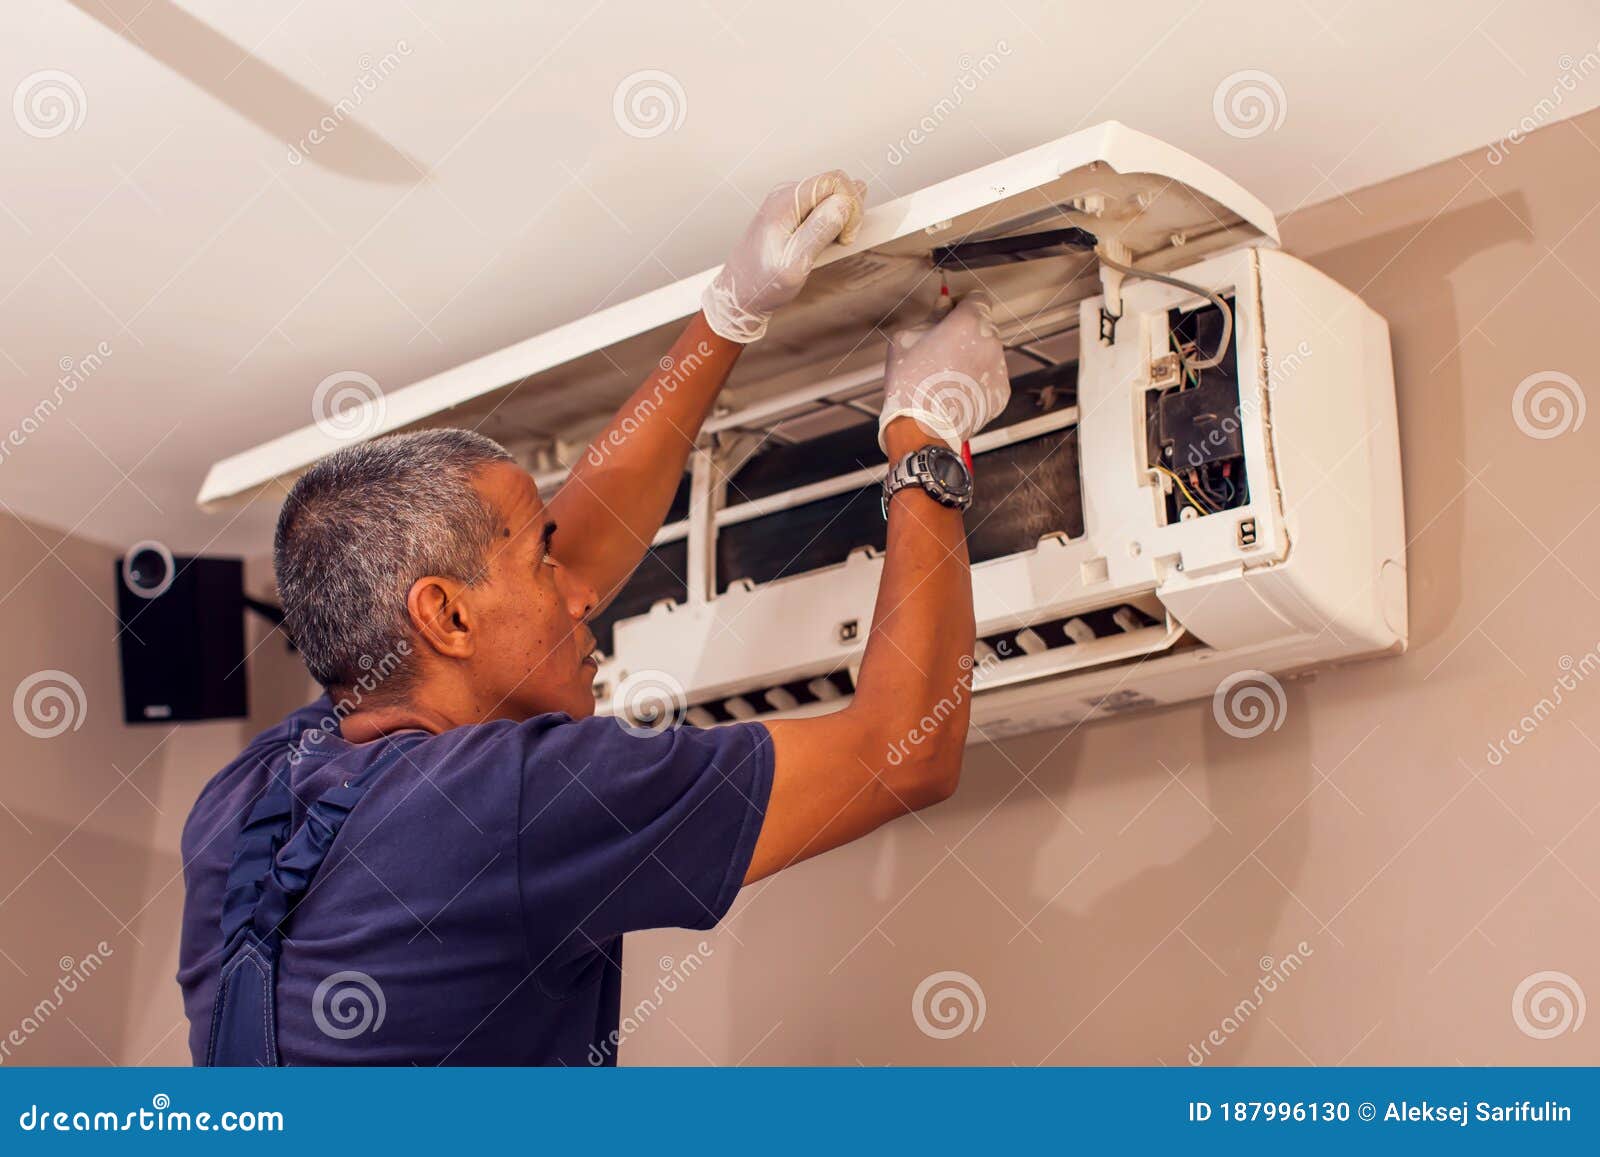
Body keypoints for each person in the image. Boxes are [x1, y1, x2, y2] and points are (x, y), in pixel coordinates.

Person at [177, 170, 1011, 1065]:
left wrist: (728, 316)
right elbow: (906, 752)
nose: (582, 594)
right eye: (542, 559)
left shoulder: (249, 798)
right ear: (444, 615)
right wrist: (926, 443)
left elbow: (552, 572)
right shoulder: (507, 805)